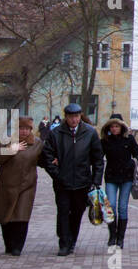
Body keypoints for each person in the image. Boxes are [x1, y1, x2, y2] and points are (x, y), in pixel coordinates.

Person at [40, 103, 104, 256]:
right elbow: (47, 156)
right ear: (66, 117)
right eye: (70, 117)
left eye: (76, 117)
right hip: (62, 182)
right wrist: (57, 174)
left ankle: (72, 240)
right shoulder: (56, 133)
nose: (74, 120)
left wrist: (96, 180)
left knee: (77, 212)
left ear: (80, 116)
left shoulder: (89, 133)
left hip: (83, 182)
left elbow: (98, 159)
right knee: (63, 212)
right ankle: (64, 242)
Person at [0, 116, 42, 255]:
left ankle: (17, 247)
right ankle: (9, 244)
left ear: (31, 129)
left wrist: (55, 161)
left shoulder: (37, 143)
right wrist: (11, 150)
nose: (24, 132)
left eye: (27, 129)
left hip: (27, 185)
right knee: (6, 216)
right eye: (21, 128)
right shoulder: (7, 140)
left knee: (21, 216)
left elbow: (44, 159)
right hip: (6, 185)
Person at [100, 114, 138, 249]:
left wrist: (132, 163)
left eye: (116, 126)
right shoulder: (105, 141)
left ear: (121, 126)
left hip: (126, 177)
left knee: (123, 207)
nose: (114, 129)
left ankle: (120, 238)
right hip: (111, 176)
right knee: (110, 205)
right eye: (112, 126)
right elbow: (97, 156)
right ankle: (112, 235)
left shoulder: (129, 139)